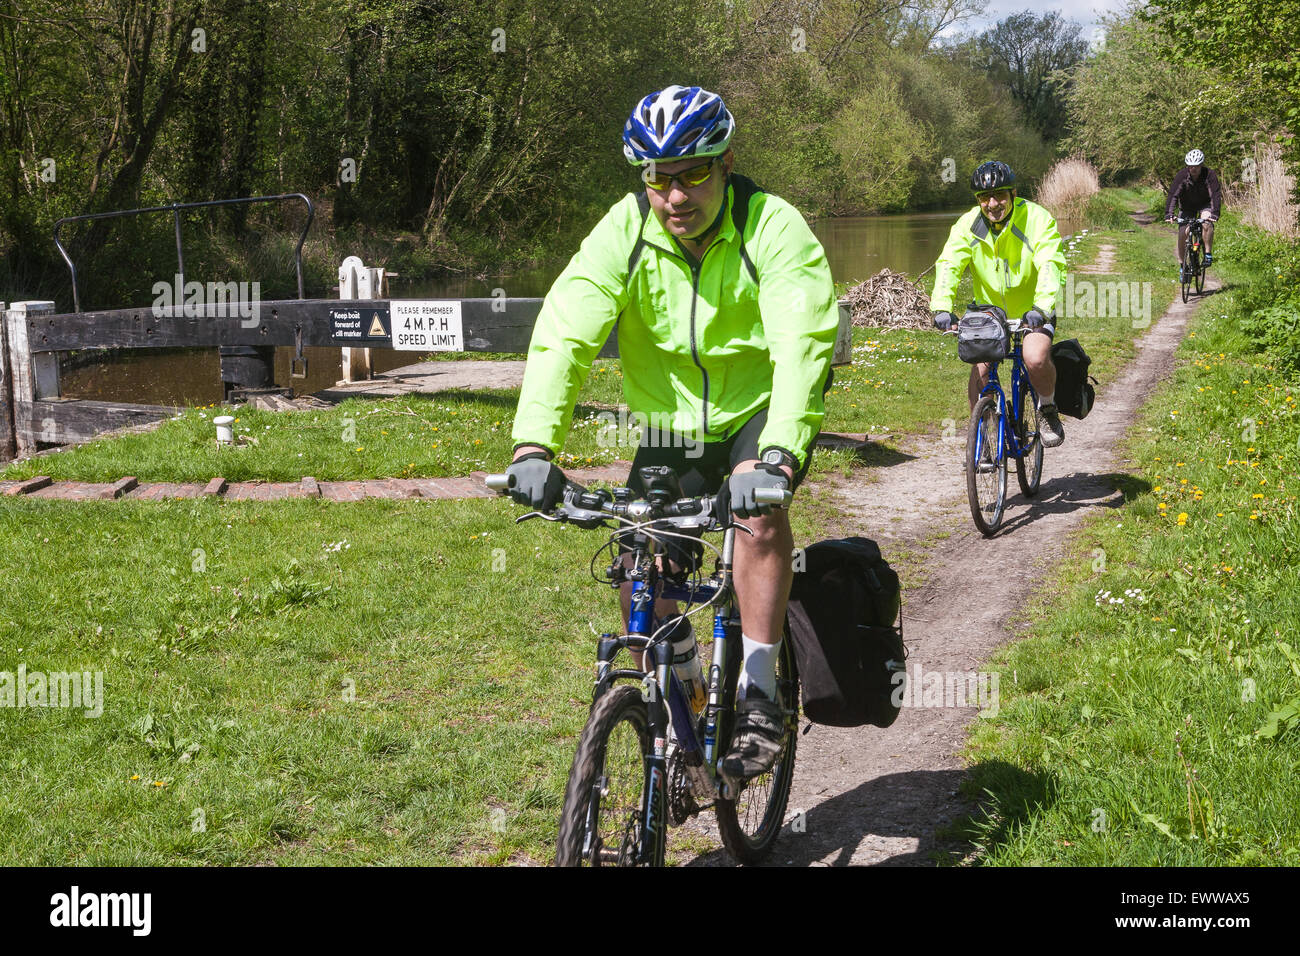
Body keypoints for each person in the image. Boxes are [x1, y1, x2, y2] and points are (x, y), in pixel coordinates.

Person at [504, 85, 839, 780]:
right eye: (658, 178)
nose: (675, 196)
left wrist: (776, 454)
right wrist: (534, 444)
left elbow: (801, 335)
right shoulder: (625, 230)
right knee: (638, 571)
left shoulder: (771, 226)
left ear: (726, 163)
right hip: (674, 429)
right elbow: (566, 328)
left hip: (757, 413)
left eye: (693, 174)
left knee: (760, 520)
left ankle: (757, 691)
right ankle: (684, 677)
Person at [929, 160, 1067, 448]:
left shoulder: (1036, 219)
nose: (992, 204)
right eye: (984, 198)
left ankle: (1047, 408)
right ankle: (983, 439)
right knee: (980, 371)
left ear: (1013, 193)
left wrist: (1040, 308)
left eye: (1000, 195)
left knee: (1035, 358)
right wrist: (941, 306)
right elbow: (949, 263)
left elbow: (1050, 263)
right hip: (989, 312)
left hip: (1033, 309)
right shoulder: (968, 224)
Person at [1164, 148, 1221, 276]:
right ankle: (1182, 266)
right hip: (1187, 207)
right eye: (1190, 166)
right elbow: (1173, 195)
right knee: (1182, 233)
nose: (1193, 169)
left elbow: (1215, 195)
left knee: (1206, 223)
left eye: (1196, 167)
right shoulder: (1182, 176)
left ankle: (1207, 253)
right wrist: (1169, 213)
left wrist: (1215, 213)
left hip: (1204, 205)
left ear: (1201, 165)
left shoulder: (1209, 175)